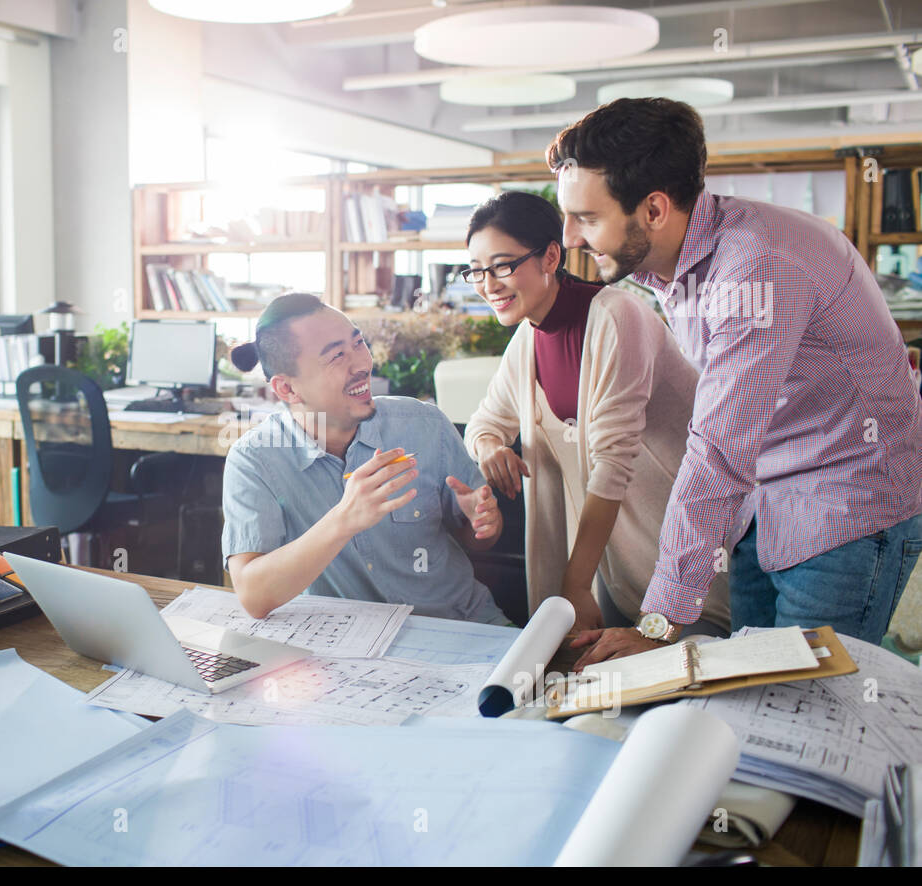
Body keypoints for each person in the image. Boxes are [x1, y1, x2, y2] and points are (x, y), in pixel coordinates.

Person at [543, 97, 922, 667]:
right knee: (749, 695)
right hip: (765, 505)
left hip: (846, 508)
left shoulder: (754, 269)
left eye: (588, 218)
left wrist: (659, 624)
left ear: (654, 210)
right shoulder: (679, 261)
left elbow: (717, 449)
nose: (570, 237)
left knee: (811, 714)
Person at [461, 190, 730, 635]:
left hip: (693, 564)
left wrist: (574, 587)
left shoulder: (617, 317)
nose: (489, 284)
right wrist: (489, 447)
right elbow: (486, 421)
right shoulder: (528, 339)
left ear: (550, 256)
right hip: (620, 574)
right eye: (477, 271)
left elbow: (611, 464)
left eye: (504, 265)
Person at [222, 292, 512, 624]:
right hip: (350, 648)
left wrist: (481, 523)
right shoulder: (254, 461)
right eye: (336, 357)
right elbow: (254, 596)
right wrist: (345, 519)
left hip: (460, 625)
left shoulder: (425, 424)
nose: (362, 364)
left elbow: (477, 542)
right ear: (287, 390)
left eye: (358, 343)